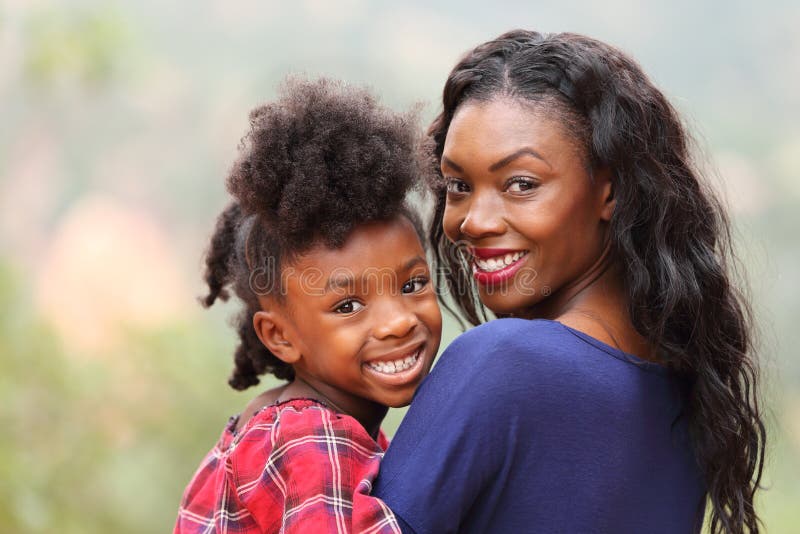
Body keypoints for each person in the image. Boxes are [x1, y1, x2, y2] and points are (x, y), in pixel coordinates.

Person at [371, 30, 765, 534]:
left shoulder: (503, 363)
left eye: (521, 184)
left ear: (611, 191)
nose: (473, 221)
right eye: (459, 186)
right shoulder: (682, 394)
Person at [174, 77, 442, 533]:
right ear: (280, 336)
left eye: (413, 283)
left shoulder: (289, 422)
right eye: (348, 306)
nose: (397, 322)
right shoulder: (310, 440)